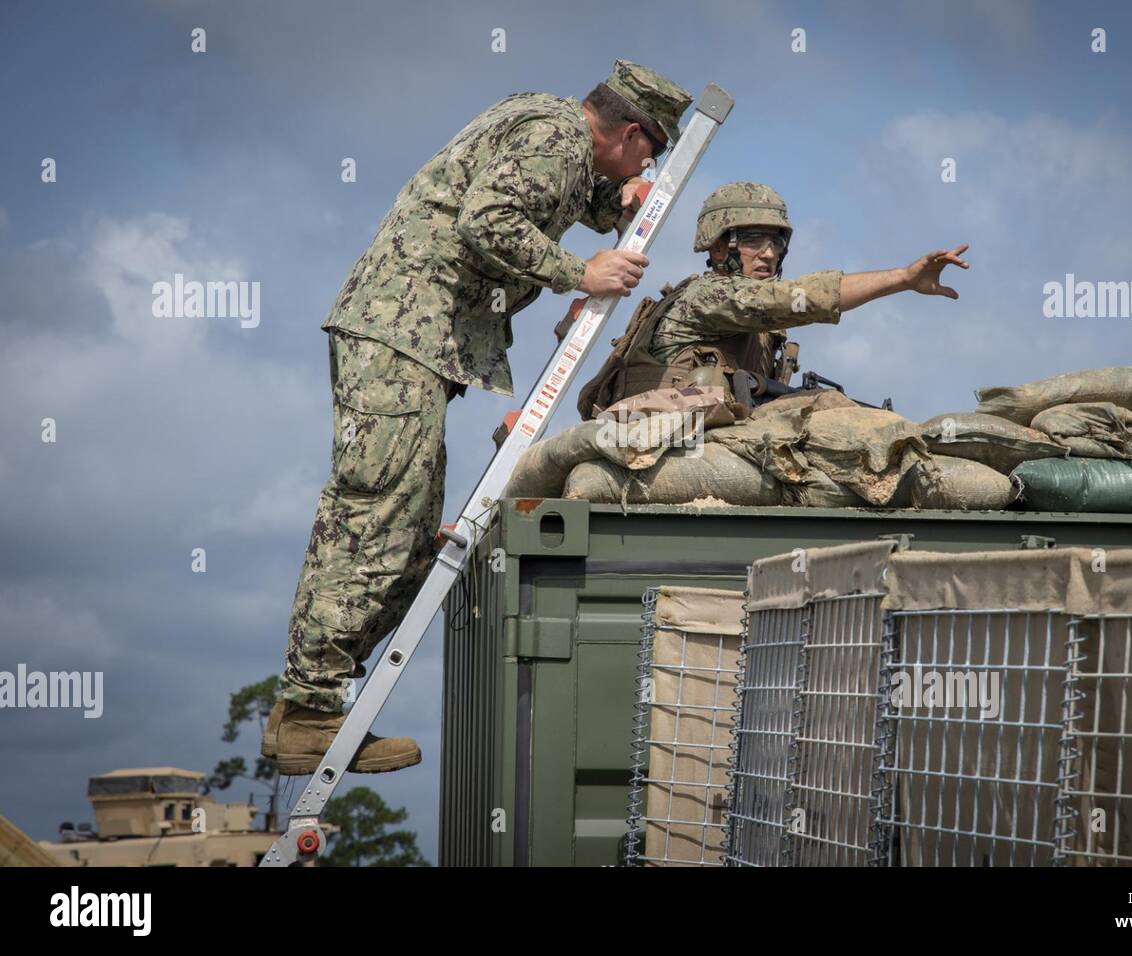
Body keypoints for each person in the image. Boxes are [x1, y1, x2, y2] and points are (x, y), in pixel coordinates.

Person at [264, 61, 692, 775]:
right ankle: (308, 708)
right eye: (650, 149)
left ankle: (312, 706)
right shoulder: (555, 137)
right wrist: (578, 272)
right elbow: (490, 217)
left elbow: (550, 194)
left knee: (406, 536)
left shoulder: (553, 128)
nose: (651, 161)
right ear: (626, 131)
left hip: (414, 340)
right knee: (376, 517)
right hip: (403, 334)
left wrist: (617, 199)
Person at [577, 182, 969, 418]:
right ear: (717, 248)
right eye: (751, 241)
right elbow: (800, 299)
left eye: (776, 242)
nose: (768, 253)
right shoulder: (707, 295)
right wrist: (902, 278)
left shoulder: (758, 326)